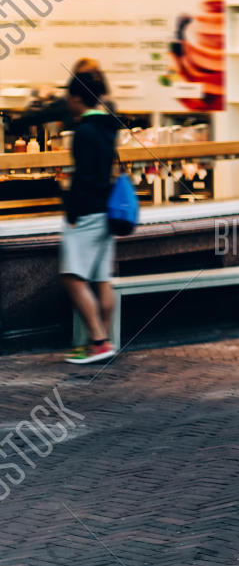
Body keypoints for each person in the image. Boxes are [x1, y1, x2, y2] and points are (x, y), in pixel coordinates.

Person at [59, 66, 120, 365]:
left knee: (72, 277)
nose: (67, 102)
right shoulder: (109, 127)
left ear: (77, 98)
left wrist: (71, 209)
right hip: (107, 211)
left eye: (69, 97)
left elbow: (83, 177)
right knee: (102, 278)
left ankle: (98, 339)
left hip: (86, 212)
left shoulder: (83, 131)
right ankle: (105, 341)